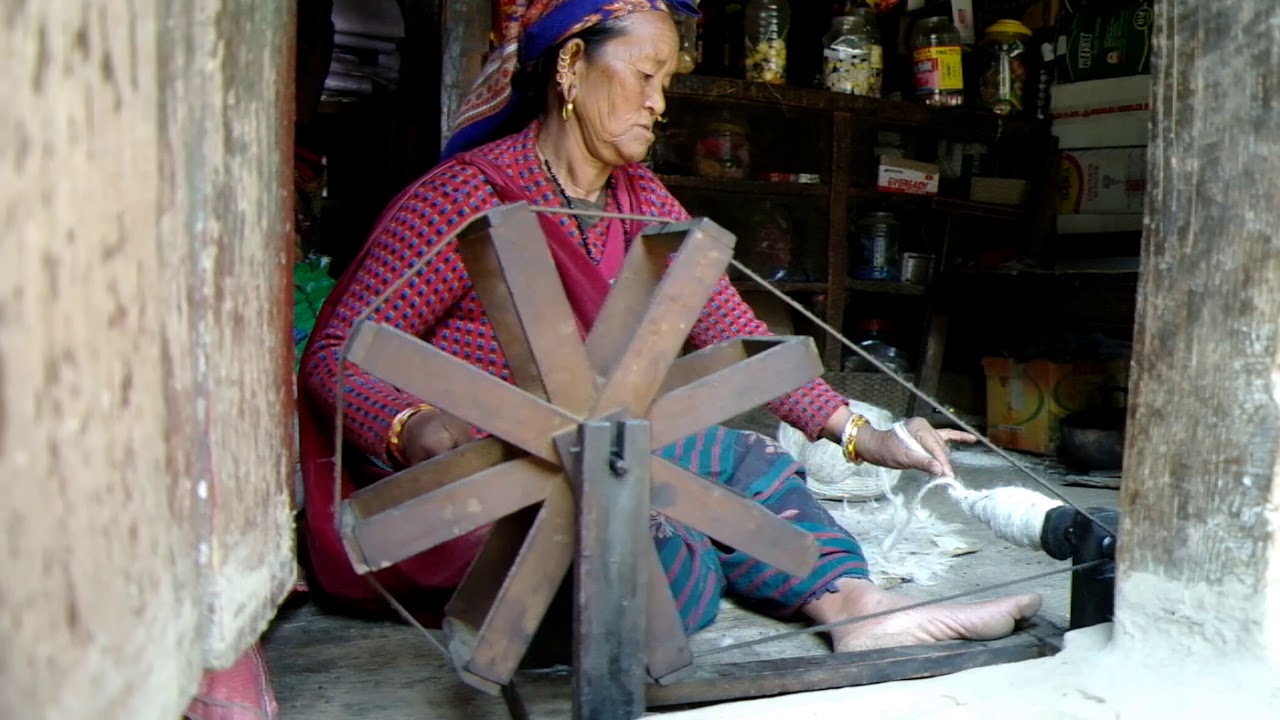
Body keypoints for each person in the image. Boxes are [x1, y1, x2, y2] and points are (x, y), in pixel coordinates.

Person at [298, 0, 1041, 653]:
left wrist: (863, 434)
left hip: (591, 446)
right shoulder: (466, 197)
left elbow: (731, 331)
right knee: (654, 568)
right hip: (473, 487)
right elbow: (334, 355)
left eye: (668, 84)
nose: (660, 104)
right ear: (569, 68)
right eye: (645, 76)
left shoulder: (640, 199)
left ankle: (857, 608)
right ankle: (679, 564)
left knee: (743, 464)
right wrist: (411, 425)